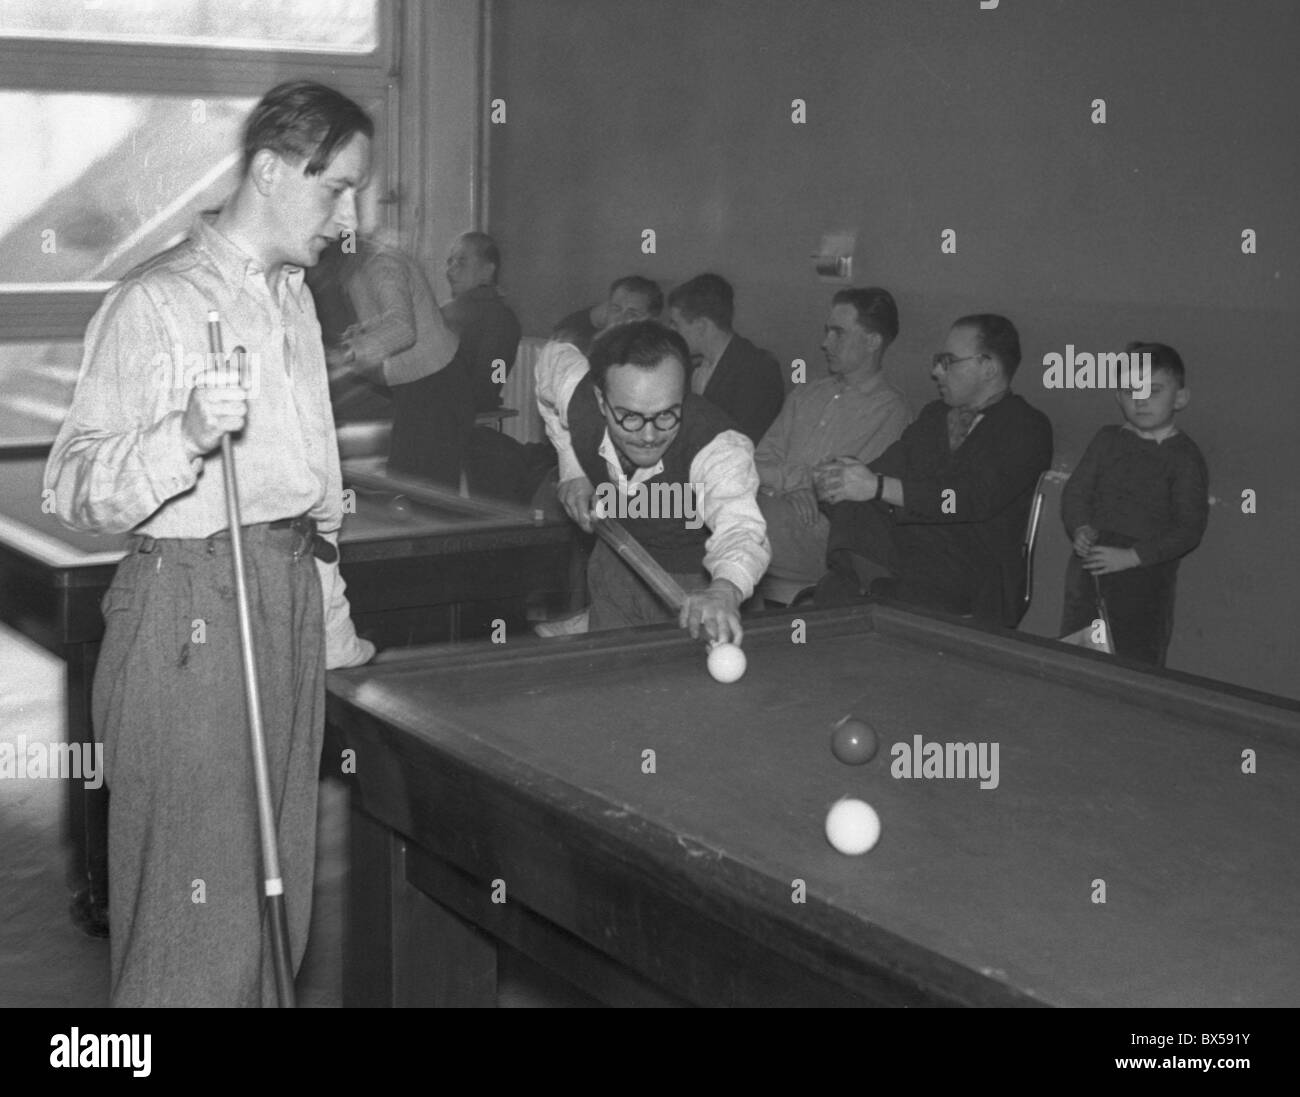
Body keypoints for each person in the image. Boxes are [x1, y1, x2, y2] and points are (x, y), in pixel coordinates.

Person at [44, 81, 377, 1007]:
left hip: (285, 600)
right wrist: (182, 437)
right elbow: (73, 479)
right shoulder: (156, 302)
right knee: (193, 936)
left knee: (277, 922)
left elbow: (316, 493)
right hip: (188, 612)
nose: (349, 216)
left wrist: (333, 632)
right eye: (336, 188)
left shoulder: (295, 297)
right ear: (270, 171)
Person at [814, 314, 1052, 628]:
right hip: (906, 557)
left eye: (948, 361)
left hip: (971, 574)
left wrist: (878, 487)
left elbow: (969, 499)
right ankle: (863, 586)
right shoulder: (934, 416)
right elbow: (885, 469)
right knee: (835, 584)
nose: (935, 371)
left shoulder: (1026, 427)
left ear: (989, 367)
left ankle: (868, 587)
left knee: (870, 590)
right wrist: (838, 480)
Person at [539, 320, 769, 641]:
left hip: (696, 590)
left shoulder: (718, 447)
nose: (649, 436)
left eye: (666, 414)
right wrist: (573, 468)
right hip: (615, 562)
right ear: (601, 401)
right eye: (630, 416)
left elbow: (742, 529)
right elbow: (551, 357)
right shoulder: (579, 399)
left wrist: (723, 590)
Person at [753, 288, 910, 598]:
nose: (825, 343)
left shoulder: (891, 410)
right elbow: (754, 464)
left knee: (704, 517)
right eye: (827, 332)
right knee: (708, 504)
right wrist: (795, 484)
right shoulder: (806, 395)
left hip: (823, 534)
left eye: (838, 333)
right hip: (773, 508)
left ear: (872, 341)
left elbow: (836, 486)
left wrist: (793, 482)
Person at [1059, 342, 1208, 666]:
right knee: (1077, 654)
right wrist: (1080, 526)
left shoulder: (1184, 457)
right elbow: (1076, 493)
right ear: (1117, 397)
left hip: (1143, 577)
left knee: (1135, 660)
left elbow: (1189, 528)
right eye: (1130, 390)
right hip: (1090, 569)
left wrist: (1132, 557)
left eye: (1153, 390)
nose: (1140, 400)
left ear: (1180, 398)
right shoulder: (1106, 439)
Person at [329, 231, 473, 488]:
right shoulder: (357, 270)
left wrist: (348, 355)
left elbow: (402, 328)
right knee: (407, 483)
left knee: (428, 492)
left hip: (438, 384)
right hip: (419, 387)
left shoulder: (382, 265)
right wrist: (360, 333)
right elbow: (386, 319)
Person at [666, 273, 784, 443]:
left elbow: (744, 439)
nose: (672, 331)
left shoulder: (758, 370)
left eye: (676, 324)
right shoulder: (692, 366)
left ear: (701, 326)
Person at [442, 231, 522, 413]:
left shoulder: (501, 320)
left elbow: (495, 378)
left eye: (461, 262)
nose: (451, 269)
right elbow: (497, 380)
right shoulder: (449, 310)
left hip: (451, 412)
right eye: (450, 262)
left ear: (487, 270)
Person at [551, 274, 663, 355]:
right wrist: (592, 315)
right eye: (616, 309)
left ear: (652, 320)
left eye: (632, 313)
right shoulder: (595, 342)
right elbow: (560, 333)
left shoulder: (654, 356)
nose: (621, 319)